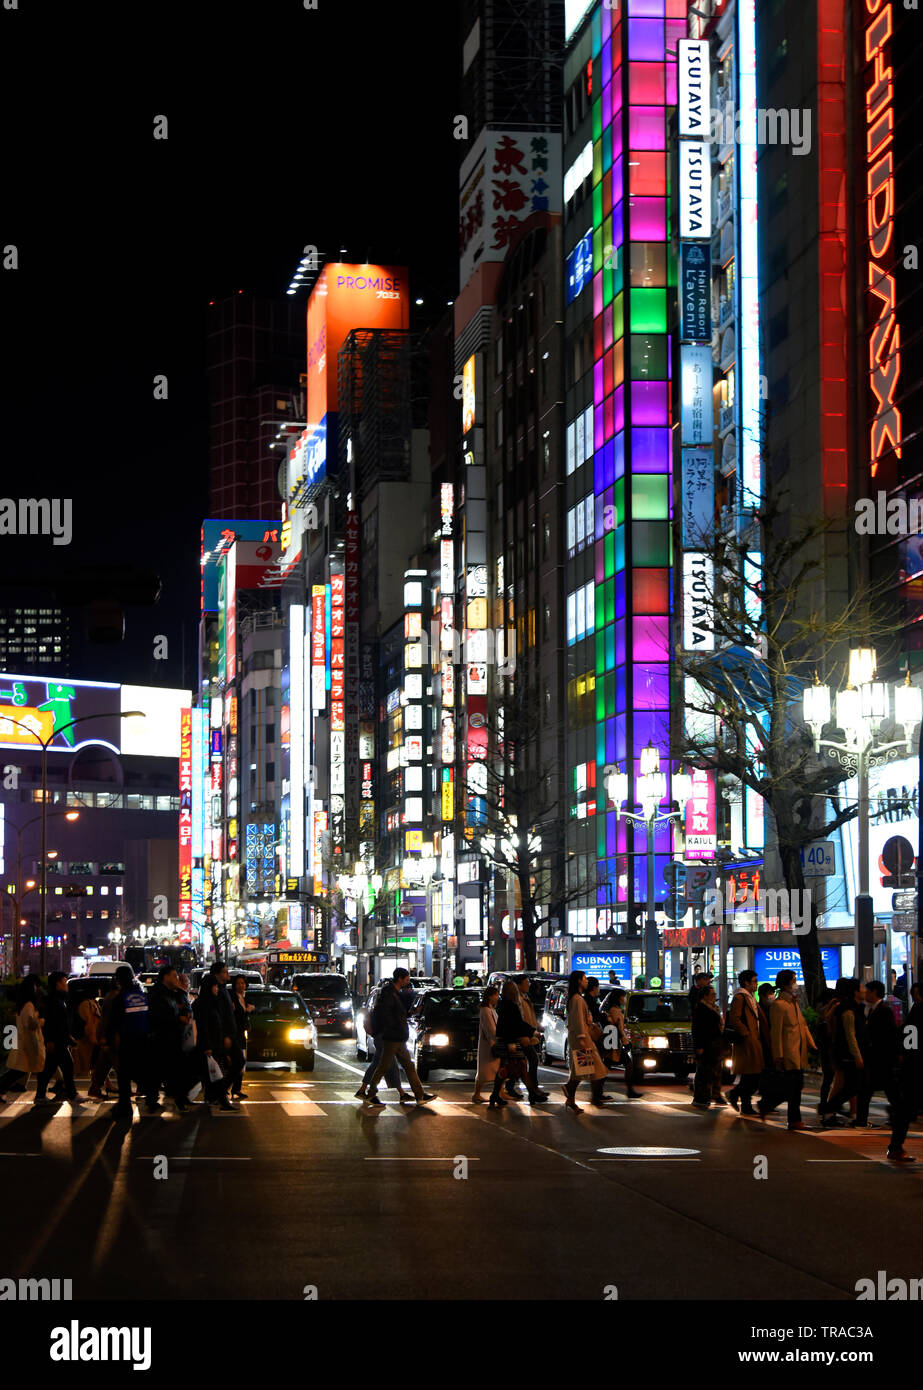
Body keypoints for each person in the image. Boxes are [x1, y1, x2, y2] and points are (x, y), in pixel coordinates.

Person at [364, 968, 437, 1107]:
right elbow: (387, 1016)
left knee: (408, 1066)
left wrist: (410, 1013)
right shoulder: (389, 994)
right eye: (407, 979)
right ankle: (371, 1092)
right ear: (400, 979)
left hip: (398, 1036)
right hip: (393, 1037)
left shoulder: (395, 993)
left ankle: (420, 1095)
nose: (408, 982)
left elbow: (397, 1014)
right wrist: (396, 1027)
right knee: (384, 1066)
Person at [760, 969, 813, 1129]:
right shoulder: (779, 1005)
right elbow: (776, 1032)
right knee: (793, 1086)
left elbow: (802, 1025)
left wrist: (811, 1044)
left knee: (795, 1086)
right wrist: (778, 1055)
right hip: (788, 1053)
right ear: (785, 984)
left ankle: (769, 1105)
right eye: (793, 980)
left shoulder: (794, 1002)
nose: (796, 984)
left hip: (798, 1051)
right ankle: (793, 1119)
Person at [820, 977, 866, 1127]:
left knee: (844, 1083)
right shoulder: (846, 1007)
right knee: (846, 1084)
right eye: (861, 988)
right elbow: (850, 1035)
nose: (864, 990)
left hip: (836, 1048)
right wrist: (857, 1055)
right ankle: (832, 1111)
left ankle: (842, 1112)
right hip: (843, 1051)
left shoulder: (839, 1004)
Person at [106, 965, 151, 1119]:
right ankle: (151, 1095)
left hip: (127, 1039)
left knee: (124, 1075)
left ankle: (125, 1107)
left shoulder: (121, 997)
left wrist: (109, 1041)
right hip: (143, 1038)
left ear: (119, 979)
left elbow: (114, 1023)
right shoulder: (141, 994)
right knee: (140, 1070)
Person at [562, 970, 611, 1111]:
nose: (587, 981)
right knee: (595, 1069)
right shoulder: (577, 999)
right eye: (584, 978)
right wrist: (582, 1039)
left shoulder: (577, 998)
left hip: (581, 1038)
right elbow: (578, 1021)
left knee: (583, 1070)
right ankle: (573, 1090)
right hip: (581, 1039)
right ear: (579, 981)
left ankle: (571, 1099)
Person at [355, 982, 412, 1103]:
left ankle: (400, 1093)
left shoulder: (380, 1006)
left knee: (387, 1065)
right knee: (381, 1065)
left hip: (383, 1037)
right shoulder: (384, 1007)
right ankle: (367, 1092)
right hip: (384, 1038)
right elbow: (388, 1022)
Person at [856, 979, 901, 1126]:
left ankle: (900, 1115)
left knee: (885, 1090)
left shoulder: (884, 1010)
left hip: (882, 1058)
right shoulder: (873, 1009)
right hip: (876, 1058)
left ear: (874, 992)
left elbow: (890, 1034)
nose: (866, 994)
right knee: (871, 1090)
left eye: (868, 991)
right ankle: (862, 1119)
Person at [495, 979, 546, 1104]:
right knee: (514, 1068)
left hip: (510, 1040)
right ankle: (531, 1093)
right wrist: (532, 1031)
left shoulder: (505, 1005)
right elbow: (516, 1024)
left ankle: (531, 1093)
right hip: (512, 1041)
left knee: (513, 1069)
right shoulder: (511, 1005)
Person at [886, 985, 922, 1162]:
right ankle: (895, 1147)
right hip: (915, 1069)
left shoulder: (915, 1012)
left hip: (912, 1068)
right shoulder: (918, 1012)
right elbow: (910, 1041)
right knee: (906, 1110)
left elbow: (908, 1041)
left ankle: (895, 1146)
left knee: (906, 1110)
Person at [34, 972, 80, 1105]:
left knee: (50, 1068)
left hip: (59, 1039)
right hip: (56, 1040)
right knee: (65, 1066)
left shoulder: (59, 999)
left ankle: (41, 1095)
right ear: (57, 984)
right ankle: (72, 1094)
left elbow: (61, 1021)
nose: (66, 984)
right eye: (64, 982)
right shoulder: (53, 1000)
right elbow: (52, 1022)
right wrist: (50, 1040)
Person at [146, 966, 186, 1112]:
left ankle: (171, 1098)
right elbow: (159, 1017)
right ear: (166, 977)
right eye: (174, 976)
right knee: (158, 1071)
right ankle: (153, 1100)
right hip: (161, 1039)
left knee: (167, 1072)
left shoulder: (170, 993)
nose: (177, 979)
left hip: (170, 1038)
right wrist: (178, 1018)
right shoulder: (157, 994)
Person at [0, 975, 45, 1100]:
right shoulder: (29, 1005)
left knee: (19, 1069)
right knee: (20, 1070)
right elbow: (30, 1023)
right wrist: (41, 1021)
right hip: (27, 1041)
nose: (37, 989)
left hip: (22, 1040)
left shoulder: (22, 1004)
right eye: (36, 986)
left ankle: (3, 1088)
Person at [193, 974, 234, 1110]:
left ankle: (211, 1098)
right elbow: (203, 1027)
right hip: (208, 1046)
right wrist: (207, 1046)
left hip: (215, 1045)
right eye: (215, 986)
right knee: (216, 1075)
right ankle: (223, 1101)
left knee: (209, 1075)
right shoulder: (202, 1004)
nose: (217, 989)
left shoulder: (212, 1002)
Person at [726, 970, 763, 1115]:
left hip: (754, 1039)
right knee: (752, 1074)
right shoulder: (740, 997)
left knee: (751, 1074)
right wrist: (746, 1033)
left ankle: (741, 1100)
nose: (756, 984)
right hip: (748, 1040)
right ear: (746, 982)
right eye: (754, 981)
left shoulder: (751, 997)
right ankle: (741, 1100)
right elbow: (734, 1019)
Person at [601, 987, 642, 1097]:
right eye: (623, 997)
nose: (624, 999)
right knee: (628, 1064)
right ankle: (629, 1091)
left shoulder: (611, 1009)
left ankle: (598, 1091)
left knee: (606, 1066)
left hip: (611, 1042)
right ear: (619, 998)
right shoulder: (616, 1011)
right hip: (613, 1043)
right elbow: (618, 1029)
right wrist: (625, 1042)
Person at [691, 984, 728, 1108]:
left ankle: (715, 1094)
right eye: (712, 995)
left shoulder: (713, 1008)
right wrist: (699, 1046)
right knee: (704, 1071)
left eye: (714, 995)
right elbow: (697, 1029)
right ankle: (701, 1097)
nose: (714, 997)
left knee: (716, 1070)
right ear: (705, 996)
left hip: (715, 1043)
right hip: (706, 1044)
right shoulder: (701, 1009)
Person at [513, 976, 549, 1101]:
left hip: (528, 1034)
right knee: (530, 1061)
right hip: (523, 1035)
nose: (528, 984)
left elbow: (530, 1016)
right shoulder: (517, 999)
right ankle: (533, 1090)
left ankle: (530, 1089)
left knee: (522, 1064)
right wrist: (532, 1031)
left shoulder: (524, 997)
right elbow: (520, 1020)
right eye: (526, 982)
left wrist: (538, 1026)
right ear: (518, 985)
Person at [229, 974, 256, 1100]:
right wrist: (246, 1010)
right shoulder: (232, 997)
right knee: (237, 1061)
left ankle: (237, 1088)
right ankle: (224, 1088)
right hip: (233, 1032)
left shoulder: (246, 997)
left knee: (242, 1061)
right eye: (239, 983)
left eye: (243, 983)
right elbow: (235, 1014)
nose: (241, 985)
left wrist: (251, 1009)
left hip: (241, 1033)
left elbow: (253, 1008)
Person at [472, 984, 500, 1103]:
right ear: (490, 996)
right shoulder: (486, 1010)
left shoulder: (490, 1009)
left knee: (494, 1070)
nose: (497, 997)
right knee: (485, 1071)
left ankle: (499, 1092)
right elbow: (490, 1028)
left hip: (491, 1043)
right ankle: (477, 1094)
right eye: (496, 995)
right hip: (489, 1044)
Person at [72, 982, 102, 1079]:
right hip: (88, 1039)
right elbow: (89, 1022)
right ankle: (65, 1085)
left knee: (96, 1064)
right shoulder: (86, 1004)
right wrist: (93, 1037)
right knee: (83, 1065)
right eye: (98, 989)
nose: (100, 991)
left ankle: (102, 1085)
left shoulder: (95, 1003)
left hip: (94, 1037)